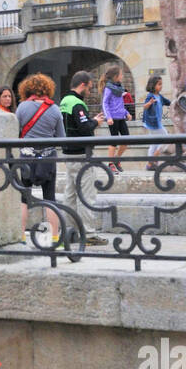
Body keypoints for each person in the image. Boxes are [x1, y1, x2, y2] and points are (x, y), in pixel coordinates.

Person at [15, 73, 65, 246]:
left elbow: (15, 133)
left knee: (23, 199)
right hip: (47, 158)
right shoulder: (54, 109)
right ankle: (54, 238)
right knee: (50, 198)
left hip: (26, 158)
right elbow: (61, 138)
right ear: (48, 89)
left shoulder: (21, 108)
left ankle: (21, 237)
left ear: (27, 89)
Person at [59, 72, 108, 246]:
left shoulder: (64, 101)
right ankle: (88, 234)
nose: (90, 90)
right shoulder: (77, 104)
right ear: (83, 85)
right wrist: (95, 122)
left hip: (68, 154)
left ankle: (68, 230)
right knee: (86, 195)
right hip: (81, 155)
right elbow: (85, 129)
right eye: (90, 87)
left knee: (70, 195)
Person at [101, 66, 130, 174]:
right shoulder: (108, 88)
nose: (122, 76)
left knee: (127, 140)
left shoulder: (119, 87)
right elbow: (105, 103)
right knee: (114, 141)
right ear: (115, 76)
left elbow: (120, 103)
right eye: (121, 74)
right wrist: (108, 117)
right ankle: (110, 164)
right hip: (112, 118)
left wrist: (126, 113)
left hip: (121, 117)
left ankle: (116, 159)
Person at [142, 77, 171, 168]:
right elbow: (145, 107)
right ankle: (154, 158)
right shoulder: (150, 96)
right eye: (159, 84)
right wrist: (150, 103)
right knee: (166, 139)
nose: (161, 86)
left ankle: (150, 164)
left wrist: (175, 102)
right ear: (153, 85)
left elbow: (168, 102)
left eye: (161, 84)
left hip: (155, 122)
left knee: (154, 143)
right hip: (153, 123)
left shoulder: (160, 96)